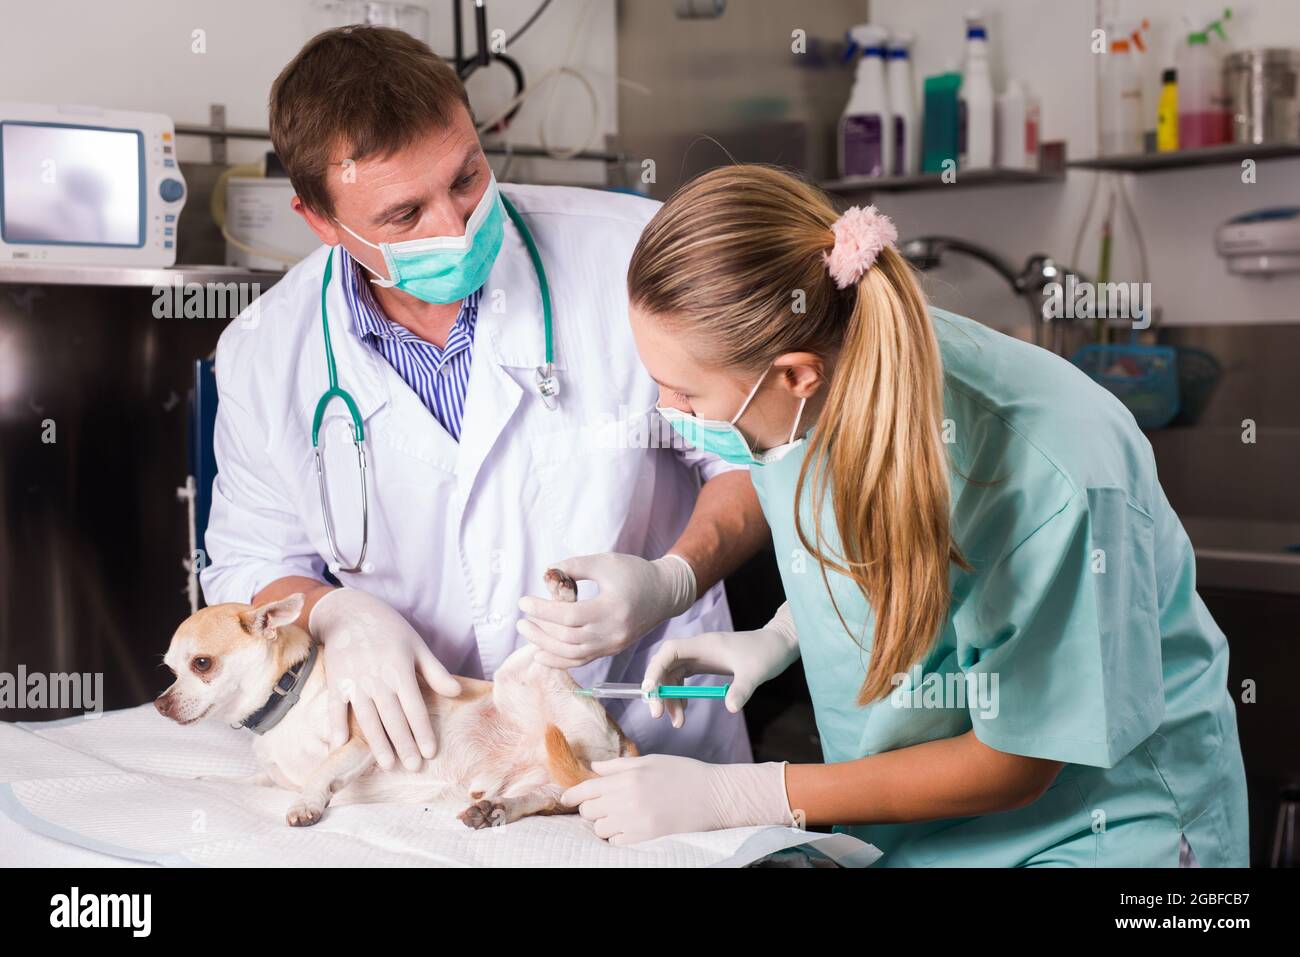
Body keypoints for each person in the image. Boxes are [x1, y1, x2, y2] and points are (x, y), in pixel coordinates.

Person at [562, 164, 1249, 867]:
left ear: (796, 373)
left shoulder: (1052, 471)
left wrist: (747, 795)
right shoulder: (801, 406)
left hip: (1100, 830)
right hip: (924, 832)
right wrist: (778, 634)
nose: (670, 418)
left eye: (685, 394)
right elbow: (881, 549)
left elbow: (1019, 758)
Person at [200, 26, 767, 770]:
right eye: (404, 216)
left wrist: (675, 576)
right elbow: (250, 560)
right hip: (432, 759)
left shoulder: (629, 252)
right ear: (319, 222)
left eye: (467, 178)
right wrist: (334, 610)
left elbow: (761, 451)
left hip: (651, 733)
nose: (455, 225)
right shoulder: (265, 352)